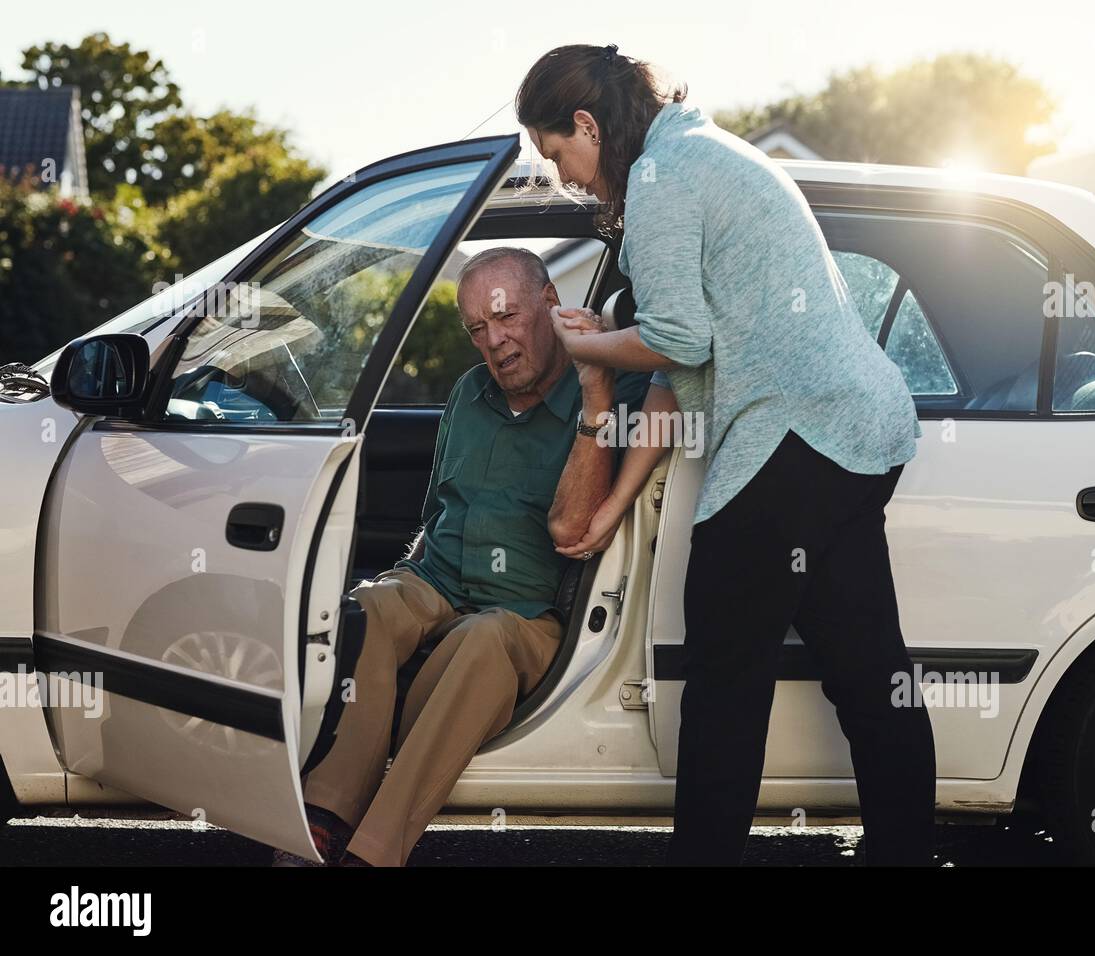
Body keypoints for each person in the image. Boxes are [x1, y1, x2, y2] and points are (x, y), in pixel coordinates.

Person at [517, 44, 937, 865]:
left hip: (796, 434)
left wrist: (594, 351)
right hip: (856, 430)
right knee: (867, 669)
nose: (563, 175)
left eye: (557, 153)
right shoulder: (701, 150)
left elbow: (675, 339)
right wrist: (614, 500)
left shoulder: (663, 176)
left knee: (721, 681)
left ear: (587, 123)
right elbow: (683, 368)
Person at [273, 246, 649, 866]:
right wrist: (405, 590)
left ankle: (375, 851)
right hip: (440, 585)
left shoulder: (614, 390)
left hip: (527, 614)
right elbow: (434, 517)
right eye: (477, 328)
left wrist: (593, 400)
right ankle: (328, 812)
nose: (494, 342)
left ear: (551, 306)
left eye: (506, 319)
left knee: (484, 639)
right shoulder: (469, 393)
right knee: (367, 607)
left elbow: (573, 528)